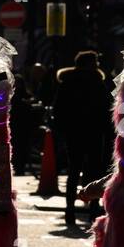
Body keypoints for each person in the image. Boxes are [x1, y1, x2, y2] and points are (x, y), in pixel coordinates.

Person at [52, 50, 112, 226]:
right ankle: (93, 208)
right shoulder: (97, 83)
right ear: (88, 63)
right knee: (95, 170)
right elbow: (106, 108)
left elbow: (59, 109)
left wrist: (64, 130)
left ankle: (69, 209)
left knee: (74, 170)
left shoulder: (67, 82)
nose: (97, 65)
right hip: (94, 132)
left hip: (74, 133)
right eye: (94, 62)